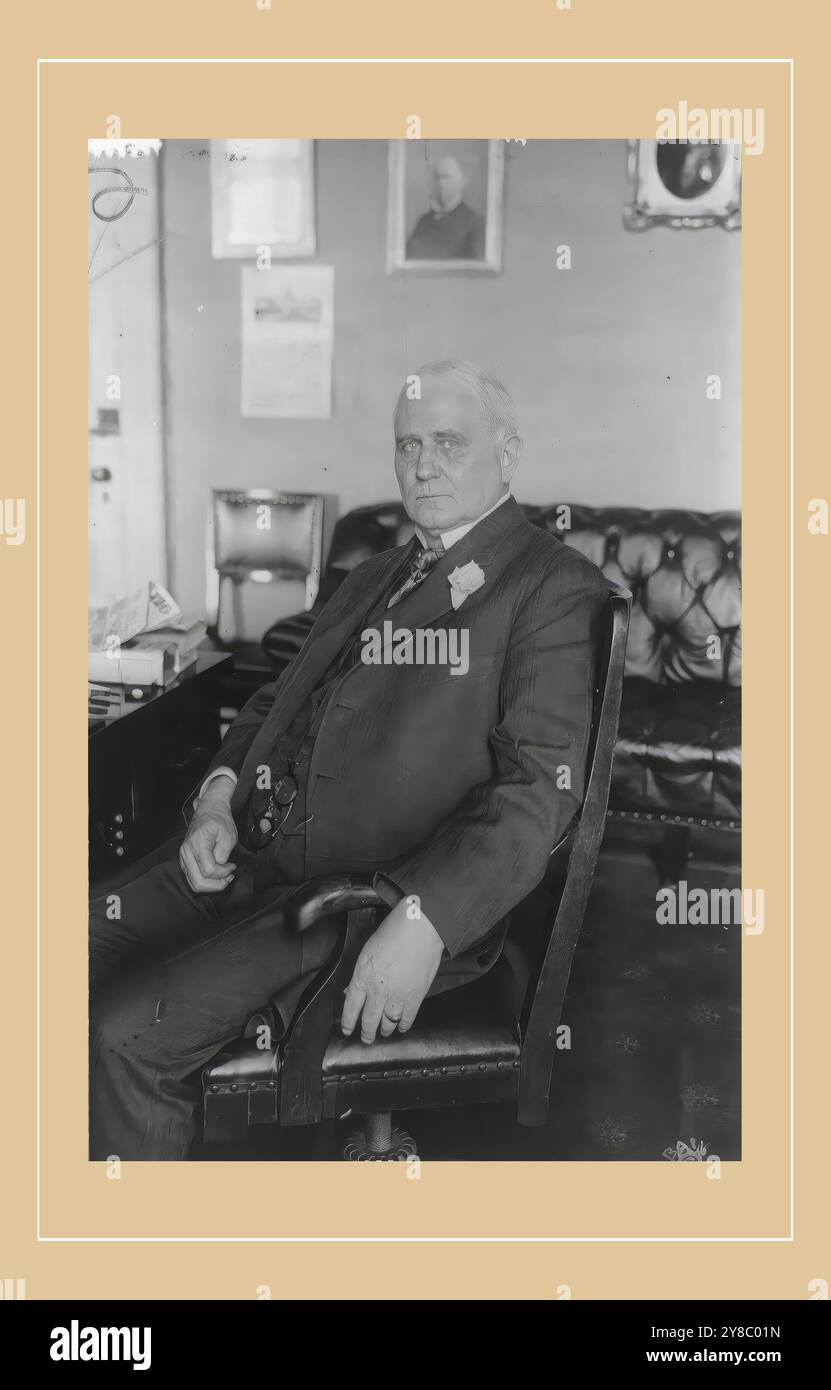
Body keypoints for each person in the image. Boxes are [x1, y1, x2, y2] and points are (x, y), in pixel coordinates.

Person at [89, 359, 607, 1159]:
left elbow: (537, 793)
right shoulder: (372, 573)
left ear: (507, 454)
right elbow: (273, 701)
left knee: (126, 1037)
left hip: (355, 898)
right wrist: (217, 799)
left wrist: (421, 914)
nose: (423, 465)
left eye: (447, 443)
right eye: (407, 446)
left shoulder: (551, 587)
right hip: (245, 861)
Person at [405, 156, 486, 260]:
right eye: (437, 177)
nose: (441, 183)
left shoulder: (474, 222)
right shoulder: (423, 221)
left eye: (446, 177)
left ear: (461, 181)